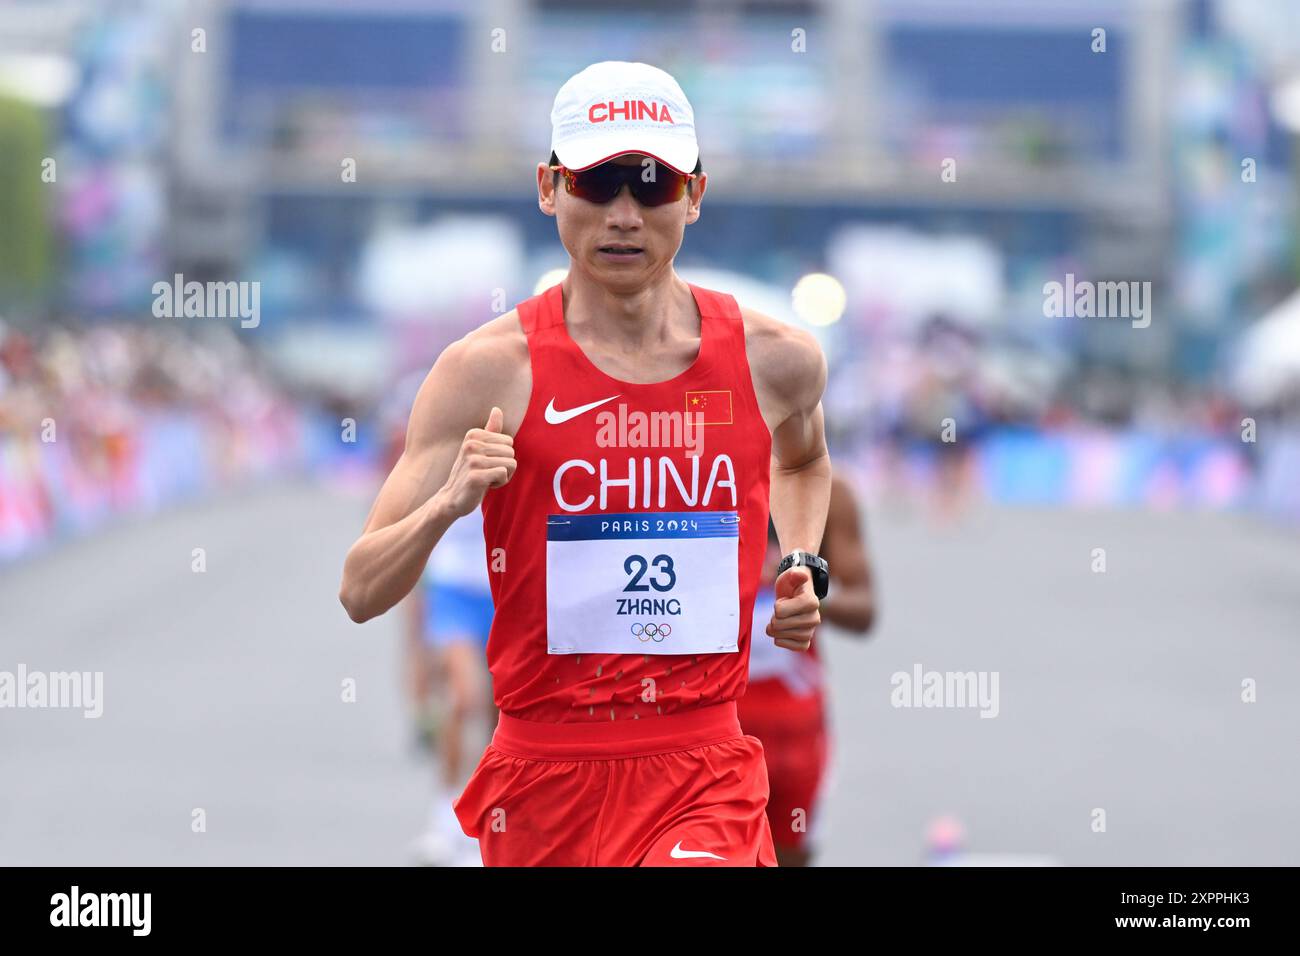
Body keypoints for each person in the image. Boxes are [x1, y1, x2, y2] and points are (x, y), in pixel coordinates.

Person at [339, 61, 831, 866]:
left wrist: (808, 561)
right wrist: (447, 505)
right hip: (544, 782)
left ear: (695, 196)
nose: (625, 215)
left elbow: (805, 461)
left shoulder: (776, 359)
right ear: (548, 187)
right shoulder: (487, 369)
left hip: (704, 769)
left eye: (652, 185)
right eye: (597, 184)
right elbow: (360, 589)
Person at [738, 471, 875, 866]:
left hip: (796, 733)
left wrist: (812, 599)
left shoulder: (828, 491)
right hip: (716, 727)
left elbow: (865, 606)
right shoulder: (697, 478)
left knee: (787, 857)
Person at [404, 504, 497, 867]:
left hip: (501, 591)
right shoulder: (449, 452)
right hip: (453, 589)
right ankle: (444, 817)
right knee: (463, 699)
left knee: (498, 721)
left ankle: (483, 823)